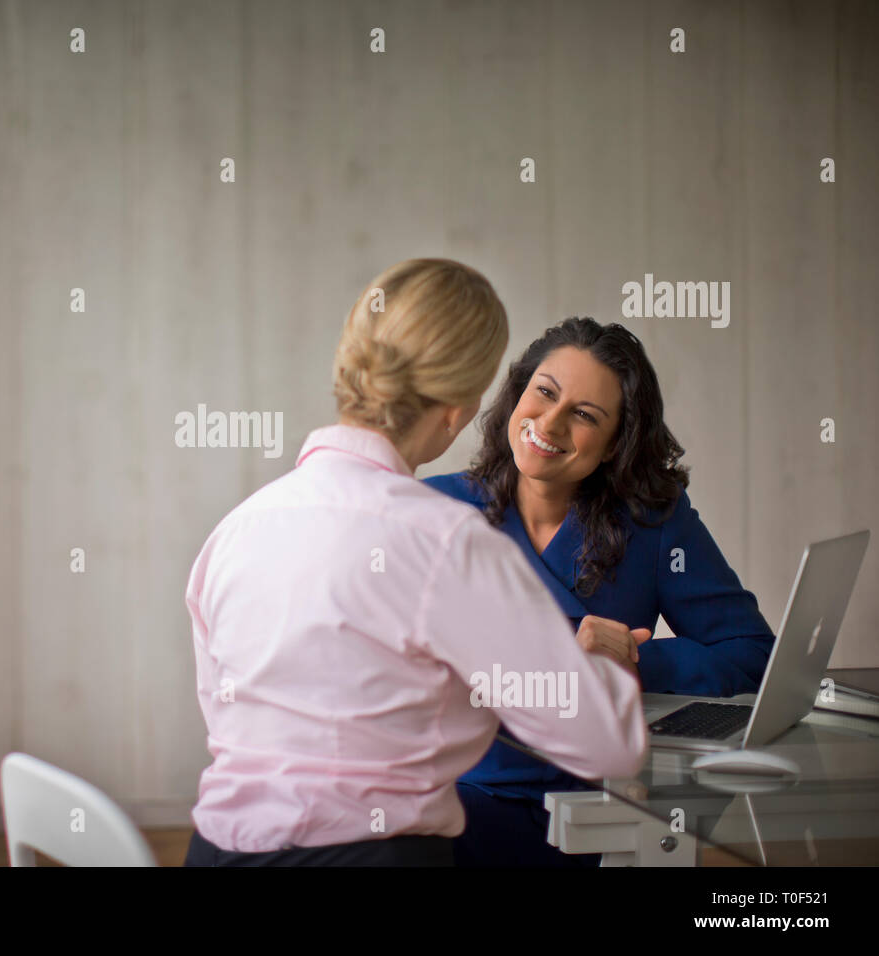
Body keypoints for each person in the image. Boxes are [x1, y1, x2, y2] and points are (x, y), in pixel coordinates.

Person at [183, 260, 647, 867]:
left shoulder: (237, 529)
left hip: (213, 852)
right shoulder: (448, 542)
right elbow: (609, 748)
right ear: (457, 409)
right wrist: (598, 668)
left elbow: (228, 713)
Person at [425, 317, 775, 867]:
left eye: (585, 415)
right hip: (446, 805)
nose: (550, 422)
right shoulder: (428, 510)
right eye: (544, 392)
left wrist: (629, 662)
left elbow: (753, 653)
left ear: (616, 444)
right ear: (519, 392)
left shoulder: (654, 525)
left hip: (590, 813)